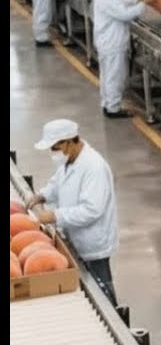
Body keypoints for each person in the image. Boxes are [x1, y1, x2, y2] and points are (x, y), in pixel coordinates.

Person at [29, 119, 120, 306]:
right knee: (87, 288)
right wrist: (42, 196)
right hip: (76, 237)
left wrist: (55, 216)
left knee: (102, 290)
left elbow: (92, 210)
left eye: (54, 148)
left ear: (68, 142)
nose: (52, 153)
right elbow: (58, 183)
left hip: (93, 243)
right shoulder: (69, 159)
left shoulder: (94, 167)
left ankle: (115, 313)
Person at [93, 0, 149, 118]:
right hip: (112, 43)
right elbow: (124, 14)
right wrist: (143, 5)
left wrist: (136, 0)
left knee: (107, 75)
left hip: (107, 42)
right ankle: (113, 108)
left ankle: (108, 103)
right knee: (115, 76)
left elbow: (121, 1)